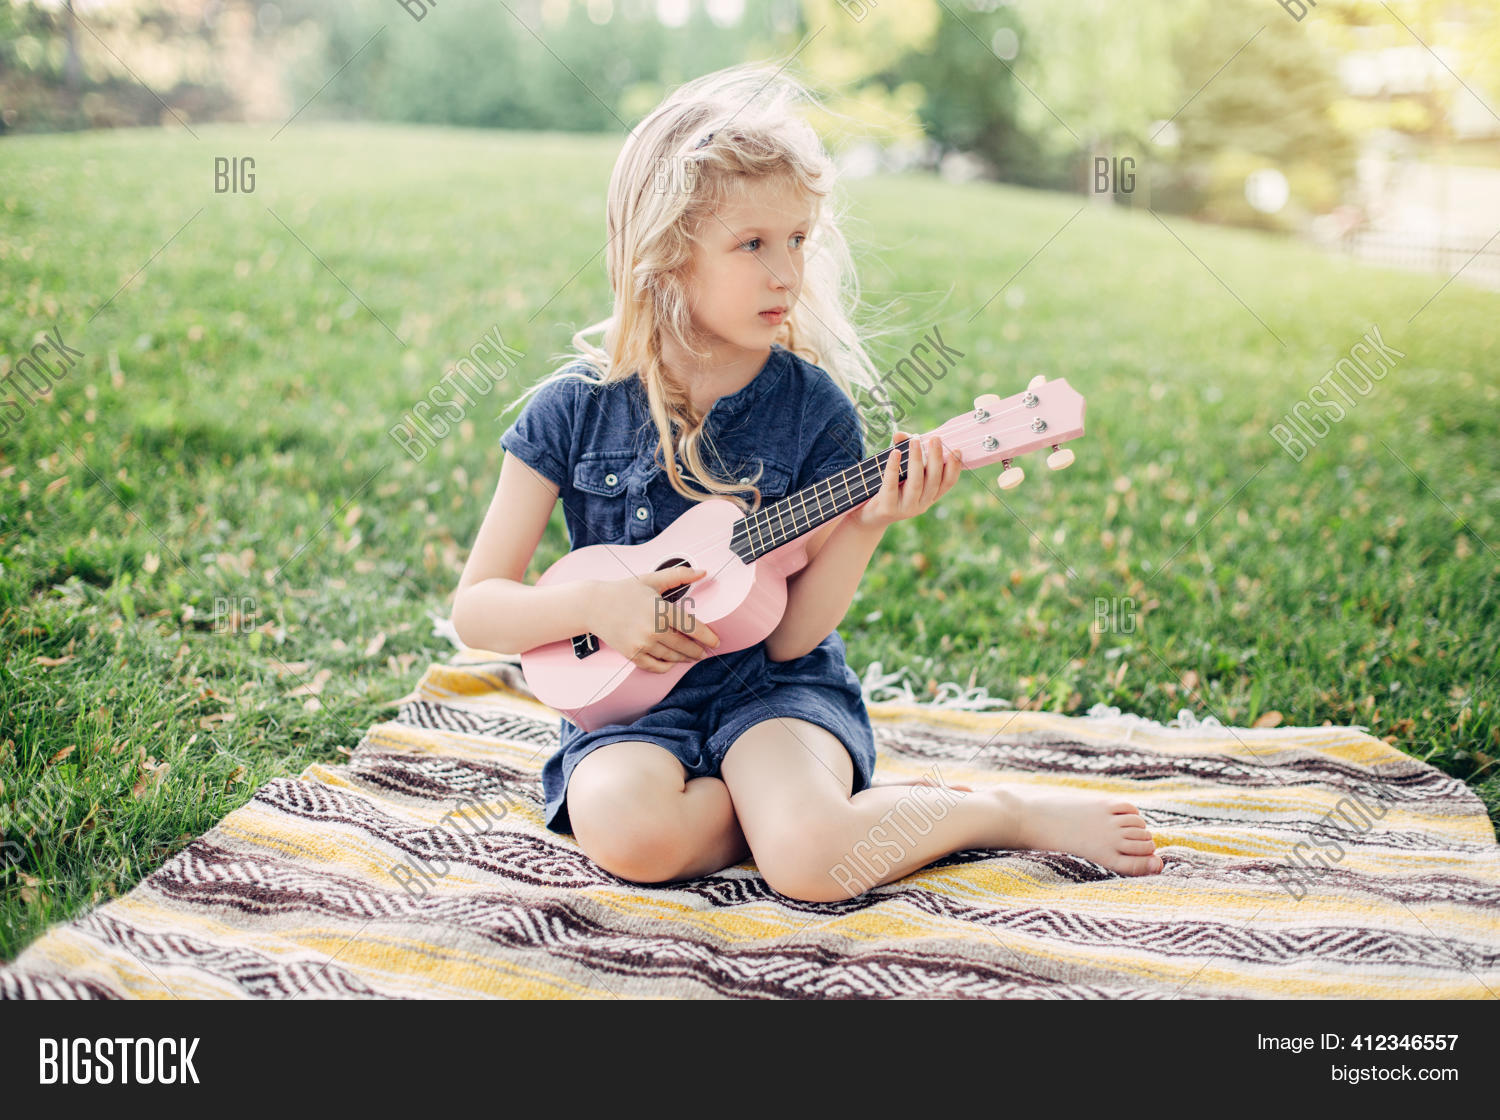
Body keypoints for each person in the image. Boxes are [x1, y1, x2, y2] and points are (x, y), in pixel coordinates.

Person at [452, 63, 1161, 903]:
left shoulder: (813, 410)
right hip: (632, 711)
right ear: (664, 256)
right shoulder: (571, 411)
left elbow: (790, 639)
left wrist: (866, 523)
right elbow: (477, 609)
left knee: (813, 865)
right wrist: (595, 607)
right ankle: (777, 816)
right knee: (631, 834)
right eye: (751, 244)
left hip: (774, 690)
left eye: (797, 239)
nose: (785, 272)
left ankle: (990, 813)